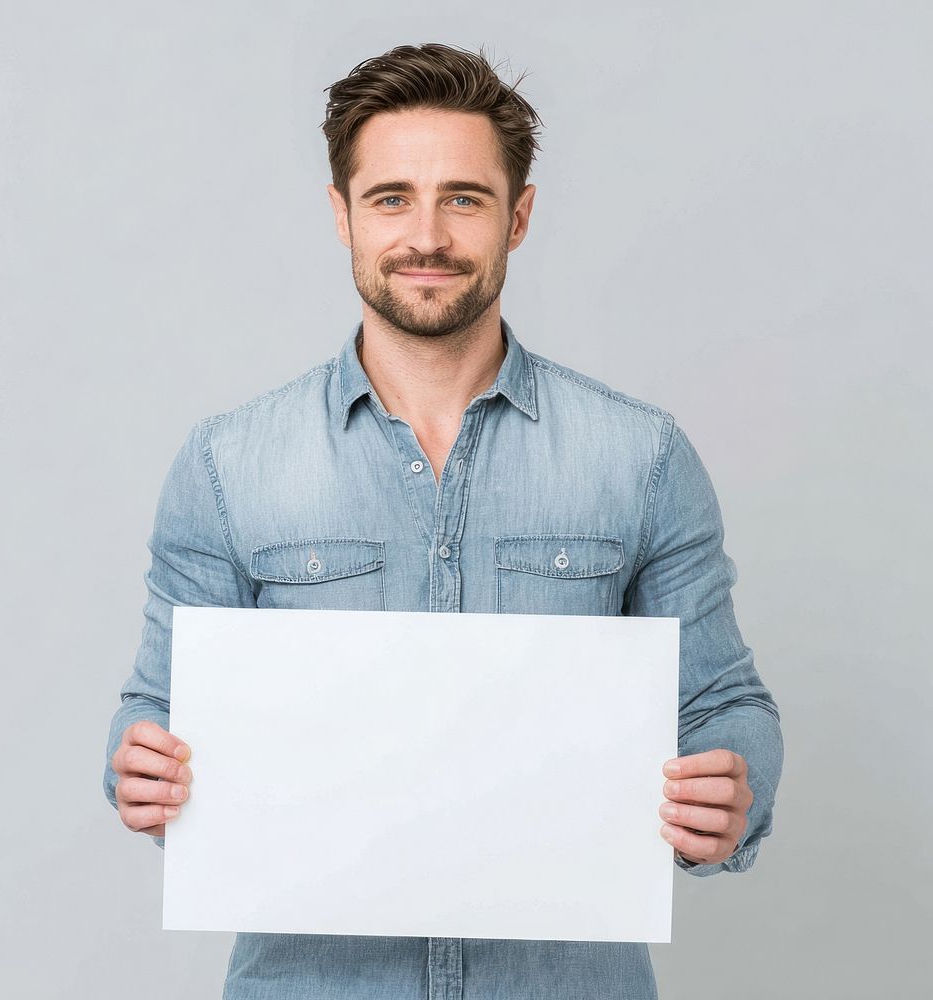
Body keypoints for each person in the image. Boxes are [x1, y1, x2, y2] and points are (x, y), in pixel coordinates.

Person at [103, 42, 782, 999]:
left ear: (521, 216)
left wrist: (734, 792)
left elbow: (725, 706)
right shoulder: (227, 464)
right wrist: (133, 765)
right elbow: (155, 708)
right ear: (341, 215)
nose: (427, 234)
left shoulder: (641, 457)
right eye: (391, 198)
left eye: (464, 197)